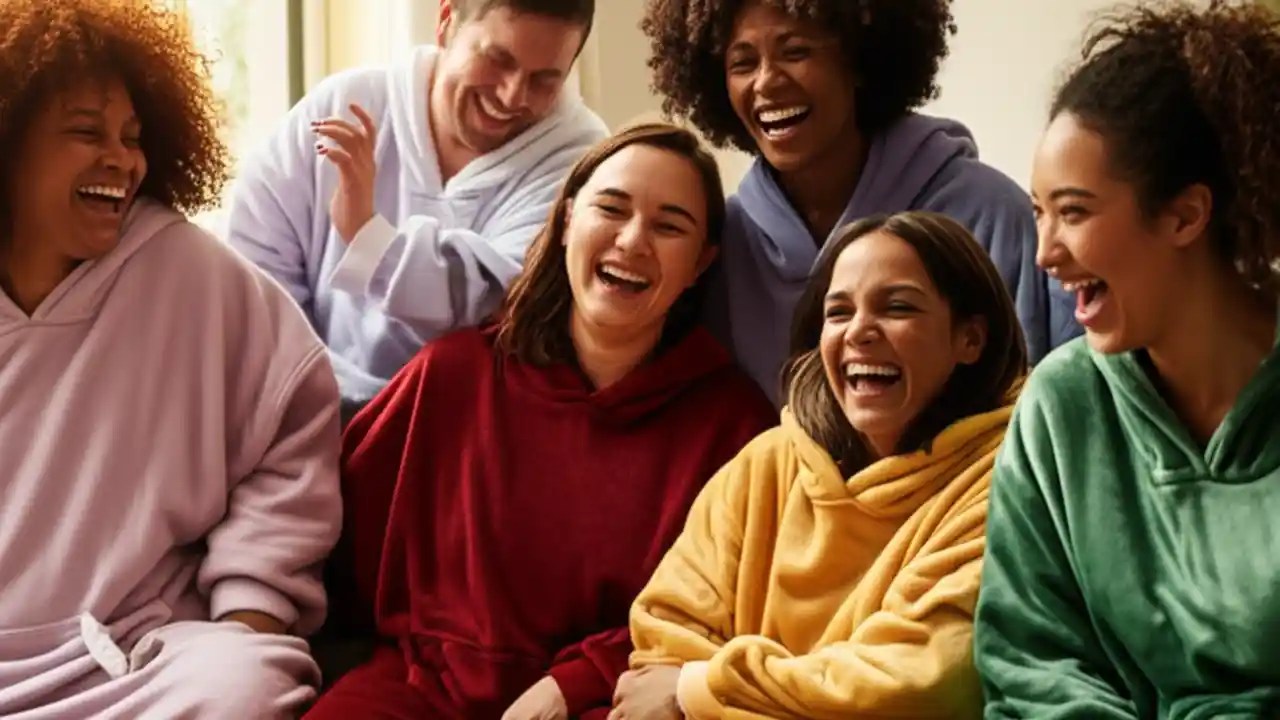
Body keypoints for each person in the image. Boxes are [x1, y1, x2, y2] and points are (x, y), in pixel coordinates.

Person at [305, 123, 776, 720]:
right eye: (612, 209)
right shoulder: (452, 375)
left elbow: (733, 610)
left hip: (606, 698)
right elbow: (323, 536)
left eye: (669, 226)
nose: (633, 240)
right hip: (419, 685)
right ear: (568, 219)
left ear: (701, 263)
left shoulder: (736, 429)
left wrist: (578, 681)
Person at [0, 1, 342, 717]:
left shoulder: (187, 273)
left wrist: (251, 609)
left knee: (244, 681)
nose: (122, 160)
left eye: (132, 138)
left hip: (137, 652)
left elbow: (292, 423)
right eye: (86, 132)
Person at [974, 2, 1280, 717]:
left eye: (1074, 212)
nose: (1045, 253)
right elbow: (1030, 664)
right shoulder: (1060, 407)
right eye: (1038, 212)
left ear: (1185, 215)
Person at [615, 211, 1027, 719]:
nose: (859, 332)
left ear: (971, 339)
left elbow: (915, 686)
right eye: (839, 312)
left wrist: (701, 691)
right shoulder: (766, 463)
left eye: (897, 307)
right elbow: (664, 644)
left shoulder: (1009, 480)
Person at [640, 0, 1076, 403]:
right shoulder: (726, 246)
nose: (767, 81)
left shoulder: (990, 214)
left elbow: (1069, 397)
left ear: (858, 60)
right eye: (743, 63)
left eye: (795, 52)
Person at [227, 0, 608, 411]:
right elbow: (255, 272)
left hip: (461, 423)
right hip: (301, 401)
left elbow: (491, 306)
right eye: (497, 60)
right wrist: (304, 396)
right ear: (446, 22)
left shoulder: (580, 161)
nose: (512, 95)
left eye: (544, 81)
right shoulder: (343, 107)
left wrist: (368, 238)